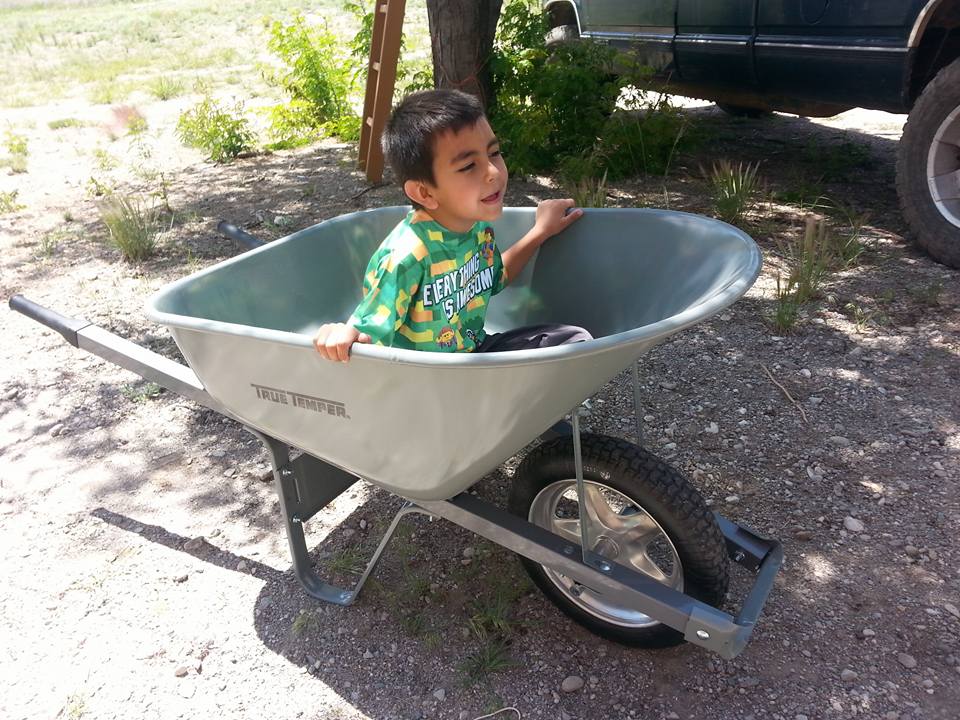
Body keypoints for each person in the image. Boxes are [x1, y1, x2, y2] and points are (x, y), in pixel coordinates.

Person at [313, 88, 591, 362]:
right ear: (425, 193)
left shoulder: (477, 228)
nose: (493, 172)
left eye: (494, 153)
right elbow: (368, 332)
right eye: (469, 166)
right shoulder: (407, 256)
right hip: (430, 377)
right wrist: (341, 335)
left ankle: (498, 398)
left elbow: (494, 278)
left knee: (573, 341)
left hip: (473, 355)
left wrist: (540, 231)